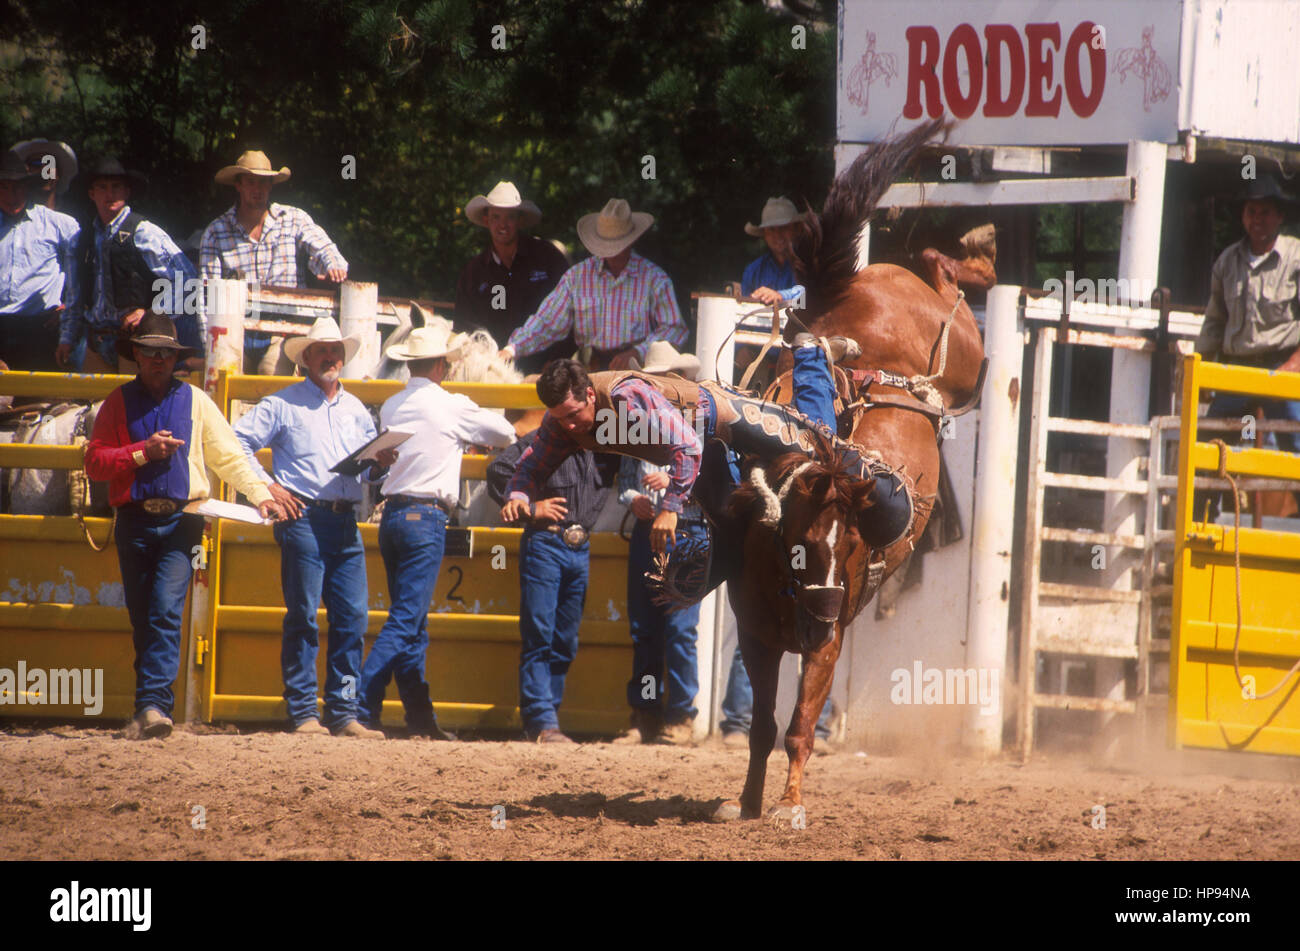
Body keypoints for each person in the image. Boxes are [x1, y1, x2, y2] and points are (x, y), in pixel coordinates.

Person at [83, 314, 285, 739]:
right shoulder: (116, 403)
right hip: (134, 521)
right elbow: (95, 463)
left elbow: (229, 456)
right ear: (137, 355)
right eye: (151, 351)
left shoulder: (196, 401)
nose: (158, 359)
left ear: (175, 358)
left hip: (186, 521)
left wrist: (260, 493)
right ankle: (149, 705)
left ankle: (155, 706)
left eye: (166, 353)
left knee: (164, 610)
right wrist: (142, 453)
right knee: (146, 617)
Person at [359, 324, 516, 738]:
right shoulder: (451, 404)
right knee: (407, 619)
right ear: (443, 366)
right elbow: (505, 433)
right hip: (425, 519)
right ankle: (359, 703)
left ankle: (420, 717)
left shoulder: (391, 406)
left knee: (412, 623)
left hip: (391, 516)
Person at [233, 317, 387, 738]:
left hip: (343, 519)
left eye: (335, 350)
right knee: (304, 614)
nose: (331, 356)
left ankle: (342, 711)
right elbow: (237, 440)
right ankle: (306, 712)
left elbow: (369, 476)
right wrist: (265, 486)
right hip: (303, 516)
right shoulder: (283, 404)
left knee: (352, 618)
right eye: (322, 350)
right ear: (305, 358)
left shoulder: (356, 409)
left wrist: (379, 466)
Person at [613, 341, 710, 745]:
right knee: (647, 626)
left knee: (678, 629)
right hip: (654, 528)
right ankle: (649, 715)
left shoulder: (703, 422)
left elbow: (711, 479)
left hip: (685, 527)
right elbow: (625, 482)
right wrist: (632, 498)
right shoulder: (635, 424)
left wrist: (672, 483)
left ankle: (679, 716)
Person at [487, 420, 606, 743]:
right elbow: (498, 470)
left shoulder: (607, 442)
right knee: (540, 633)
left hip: (577, 546)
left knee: (565, 639)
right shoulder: (544, 439)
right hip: (545, 542)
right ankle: (542, 721)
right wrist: (531, 508)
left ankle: (546, 718)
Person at [200, 150, 348, 375]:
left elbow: (323, 247)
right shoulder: (215, 231)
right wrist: (208, 344)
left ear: (271, 186)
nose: (257, 189)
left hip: (283, 328)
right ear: (238, 185)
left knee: (271, 377)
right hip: (235, 327)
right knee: (227, 384)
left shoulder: (292, 219)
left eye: (264, 183)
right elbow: (206, 294)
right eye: (251, 182)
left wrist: (333, 265)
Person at [499, 198, 687, 371]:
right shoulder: (576, 277)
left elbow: (674, 329)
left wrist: (640, 351)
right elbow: (547, 322)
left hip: (639, 370)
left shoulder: (654, 279)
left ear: (631, 241)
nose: (612, 253)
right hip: (591, 367)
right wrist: (512, 349)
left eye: (618, 246)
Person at [59, 158, 201, 374]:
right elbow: (73, 296)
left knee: (136, 405)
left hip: (136, 342)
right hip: (95, 343)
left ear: (126, 192)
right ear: (91, 193)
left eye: (116, 187)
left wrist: (152, 314)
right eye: (102, 187)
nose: (110, 194)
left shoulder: (144, 232)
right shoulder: (80, 240)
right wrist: (67, 338)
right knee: (89, 405)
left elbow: (188, 279)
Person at [1195, 172, 1300, 454]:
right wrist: (1203, 367)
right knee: (1209, 446)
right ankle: (1205, 498)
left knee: (1297, 444)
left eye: (1265, 212)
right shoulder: (1227, 261)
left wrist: (1294, 363)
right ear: (1243, 216)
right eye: (1251, 211)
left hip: (1283, 369)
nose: (1257, 219)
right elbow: (1215, 321)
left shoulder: (1296, 259)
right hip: (1237, 369)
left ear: (1279, 216)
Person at [455, 180, 573, 373]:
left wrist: (557, 360)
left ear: (520, 220)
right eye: (496, 217)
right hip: (492, 372)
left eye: (510, 217)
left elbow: (571, 311)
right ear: (486, 220)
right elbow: (463, 328)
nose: (503, 224)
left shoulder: (548, 257)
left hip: (547, 372)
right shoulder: (473, 272)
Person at [0, 149, 80, 371]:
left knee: (43, 402)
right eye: (3, 187)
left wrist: (69, 306)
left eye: (17, 187)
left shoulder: (60, 225)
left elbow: (88, 270)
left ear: (27, 188)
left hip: (41, 329)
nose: (11, 195)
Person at [740, 196, 810, 308]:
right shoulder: (753, 271)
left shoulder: (812, 263)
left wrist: (780, 296)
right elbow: (743, 308)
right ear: (764, 234)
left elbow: (814, 294)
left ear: (797, 230)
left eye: (784, 227)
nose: (777, 235)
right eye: (771, 229)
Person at [10, 139, 78, 212]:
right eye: (36, 164)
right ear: (26, 171)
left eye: (49, 163)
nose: (44, 170)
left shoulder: (71, 219)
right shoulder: (10, 216)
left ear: (58, 174)